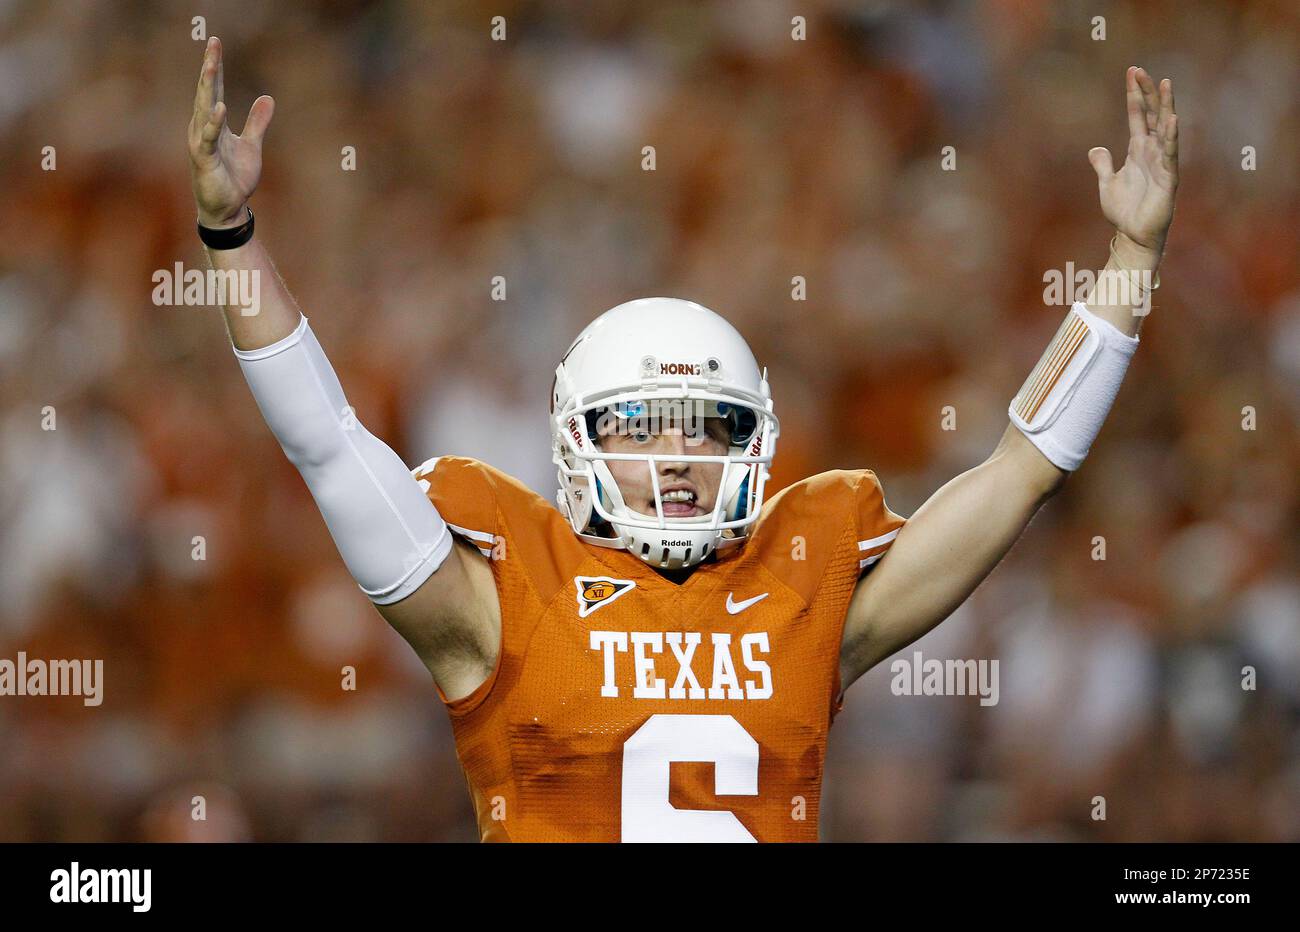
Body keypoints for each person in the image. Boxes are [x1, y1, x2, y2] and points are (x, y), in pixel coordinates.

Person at [187, 36, 1179, 841]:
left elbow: (1023, 469)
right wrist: (233, 240)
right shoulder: (498, 602)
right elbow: (324, 437)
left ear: (754, 441)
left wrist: (1130, 259)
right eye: (639, 428)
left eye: (709, 428)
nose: (676, 456)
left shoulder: (805, 590)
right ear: (578, 443)